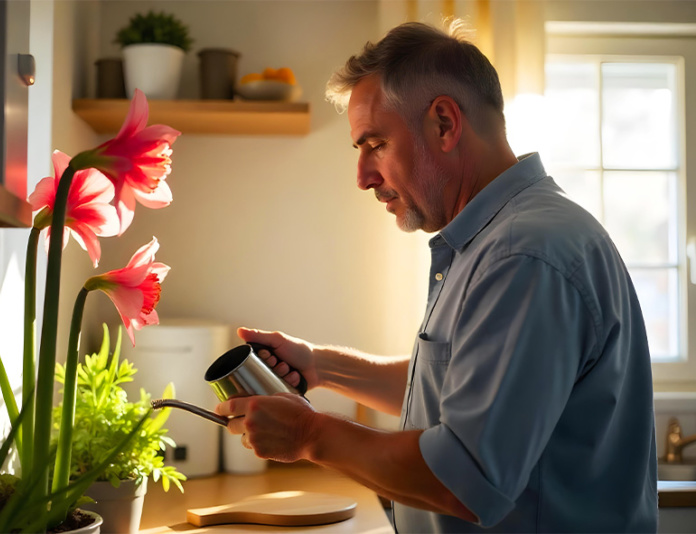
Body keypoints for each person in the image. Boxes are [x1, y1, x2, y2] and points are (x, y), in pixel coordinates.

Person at [215, 20, 658, 533]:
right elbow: (462, 389)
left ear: (444, 123)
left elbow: (464, 479)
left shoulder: (523, 255)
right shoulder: (496, 240)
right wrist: (322, 366)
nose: (362, 177)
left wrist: (309, 435)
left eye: (375, 143)